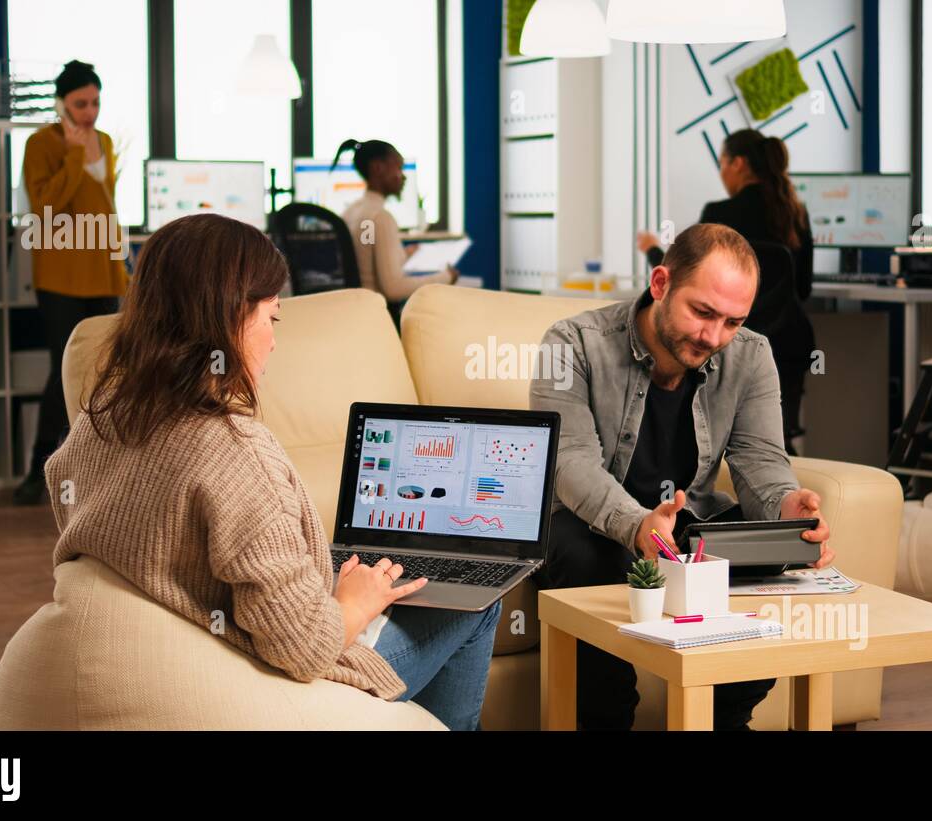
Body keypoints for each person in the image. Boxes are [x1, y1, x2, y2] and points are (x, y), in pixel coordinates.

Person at [44, 213, 499, 730]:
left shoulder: (103, 412)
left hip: (184, 647)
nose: (274, 341)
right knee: (477, 604)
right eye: (272, 319)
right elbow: (302, 650)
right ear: (232, 317)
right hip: (275, 681)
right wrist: (354, 604)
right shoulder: (235, 452)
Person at [530, 223, 835, 730]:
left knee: (768, 551)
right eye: (703, 312)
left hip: (688, 527)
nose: (713, 337)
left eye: (732, 322)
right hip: (594, 525)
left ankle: (727, 718)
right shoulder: (571, 345)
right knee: (583, 553)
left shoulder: (752, 355)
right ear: (660, 283)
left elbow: (761, 461)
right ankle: (606, 722)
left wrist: (787, 511)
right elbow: (570, 463)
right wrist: (636, 524)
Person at [637, 129, 815, 452]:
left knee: (715, 434)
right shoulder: (796, 214)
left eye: (722, 163)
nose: (721, 173)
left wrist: (651, 248)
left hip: (726, 348)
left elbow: (680, 275)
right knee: (776, 436)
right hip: (789, 345)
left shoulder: (720, 216)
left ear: (738, 164)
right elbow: (803, 288)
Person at [14, 60, 128, 504]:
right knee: (60, 371)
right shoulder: (41, 143)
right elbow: (45, 205)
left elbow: (106, 204)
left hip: (102, 269)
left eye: (95, 102)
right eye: (81, 103)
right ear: (62, 103)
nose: (90, 112)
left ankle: (97, 472)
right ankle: (38, 467)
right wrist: (75, 156)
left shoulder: (104, 142)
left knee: (104, 373)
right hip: (61, 274)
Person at [335, 139, 458, 312]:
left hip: (356, 311)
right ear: (377, 168)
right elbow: (393, 289)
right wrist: (446, 277)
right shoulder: (381, 217)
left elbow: (366, 258)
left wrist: (403, 254)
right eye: (399, 168)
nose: (404, 175)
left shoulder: (351, 211)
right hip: (378, 316)